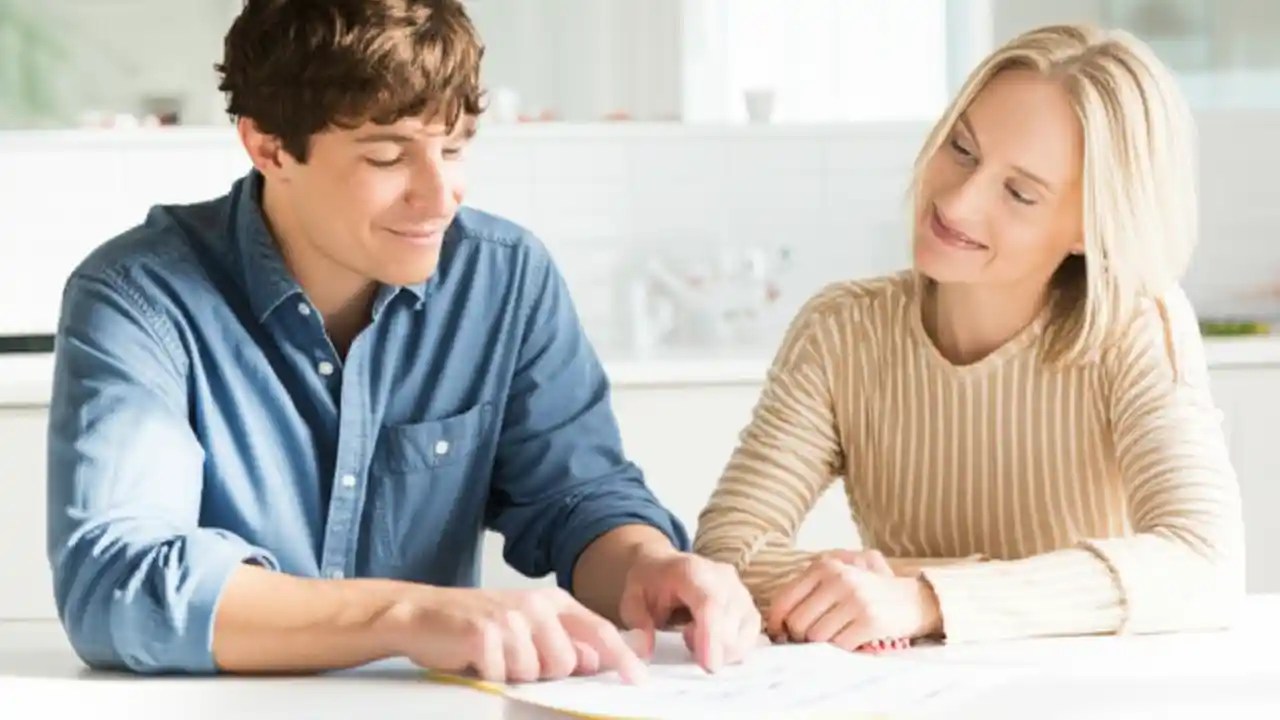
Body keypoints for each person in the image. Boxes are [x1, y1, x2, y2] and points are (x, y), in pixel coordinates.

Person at [45, 0, 758, 681]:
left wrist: (647, 566)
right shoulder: (140, 297)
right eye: (387, 157)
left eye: (453, 147)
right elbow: (120, 583)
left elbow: (576, 498)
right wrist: (410, 613)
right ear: (268, 146)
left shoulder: (504, 279)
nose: (440, 193)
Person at [693, 23, 1246, 650]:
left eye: (1018, 192)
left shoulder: (1132, 326)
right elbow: (726, 554)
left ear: (1091, 228)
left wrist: (925, 597)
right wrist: (888, 594)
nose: (957, 202)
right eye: (961, 148)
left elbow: (1205, 564)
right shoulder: (842, 331)